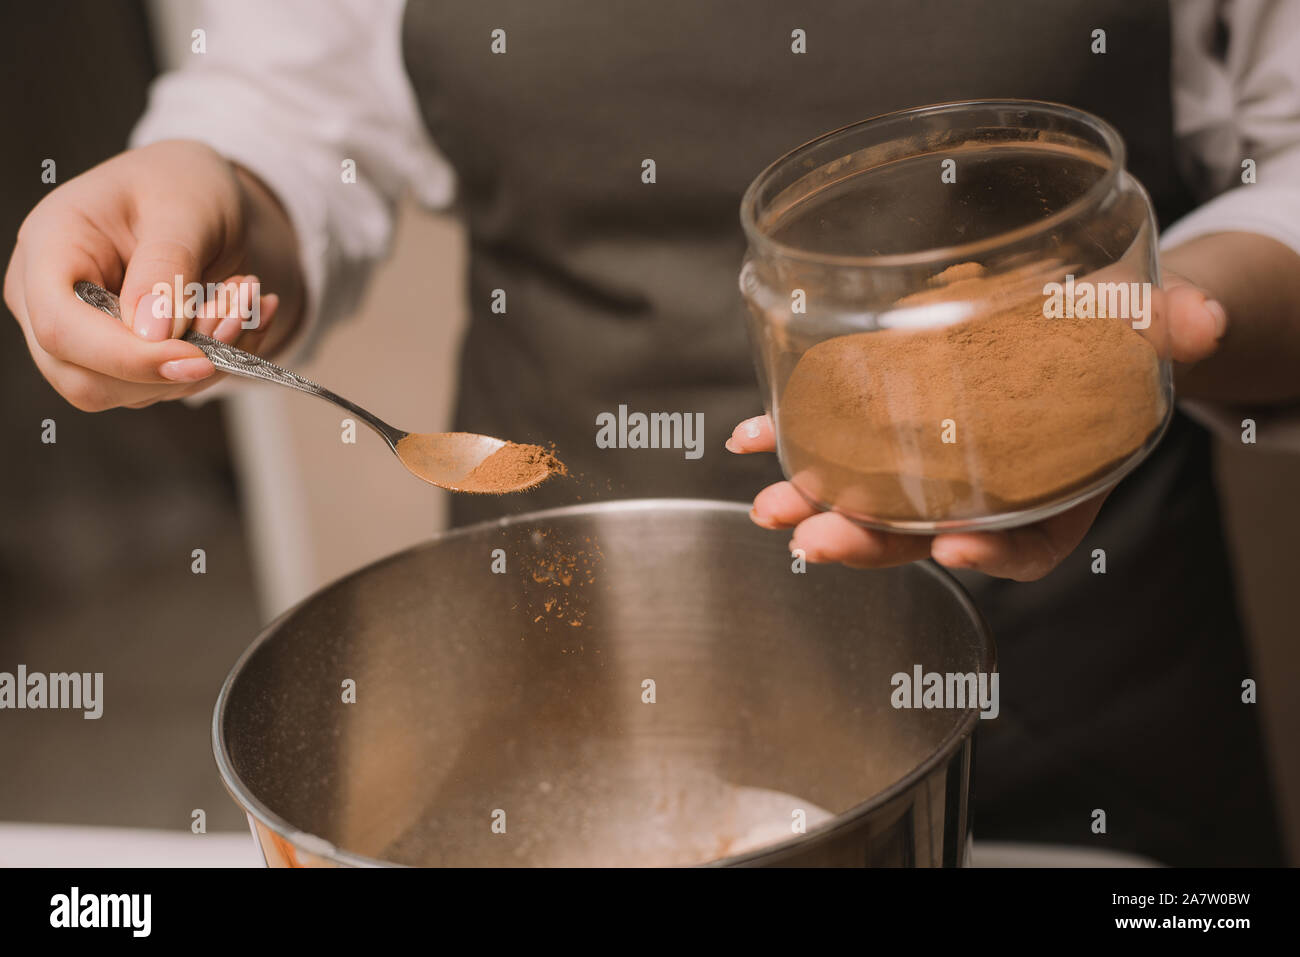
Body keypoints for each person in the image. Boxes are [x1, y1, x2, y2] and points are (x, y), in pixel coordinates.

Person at [6, 0, 1298, 865]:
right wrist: (210, 196)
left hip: (1077, 712)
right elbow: (287, 112)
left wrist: (1156, 333)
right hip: (548, 685)